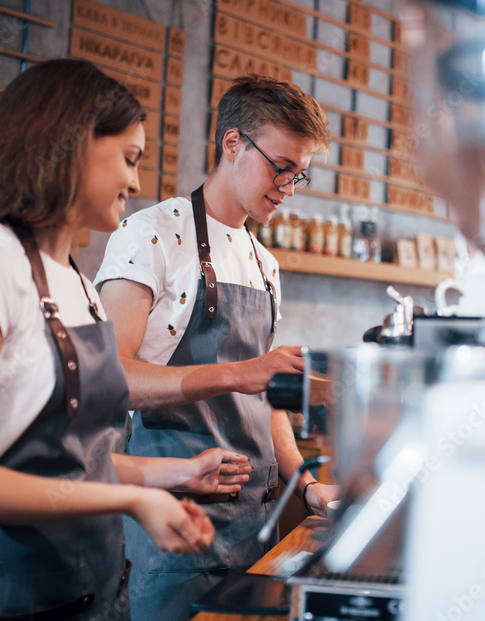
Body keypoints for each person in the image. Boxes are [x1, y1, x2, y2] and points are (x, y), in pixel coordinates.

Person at [0, 59, 251, 621]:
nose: (136, 182)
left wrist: (173, 475)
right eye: (129, 158)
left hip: (87, 592)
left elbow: (70, 464)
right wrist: (132, 499)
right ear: (69, 145)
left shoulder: (75, 282)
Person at [94, 74, 338, 620]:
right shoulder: (151, 235)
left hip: (255, 523)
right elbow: (110, 378)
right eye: (281, 167)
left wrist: (306, 482)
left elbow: (265, 397)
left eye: (299, 175)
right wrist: (241, 371)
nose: (288, 188)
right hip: (175, 522)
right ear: (233, 145)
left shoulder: (264, 263)